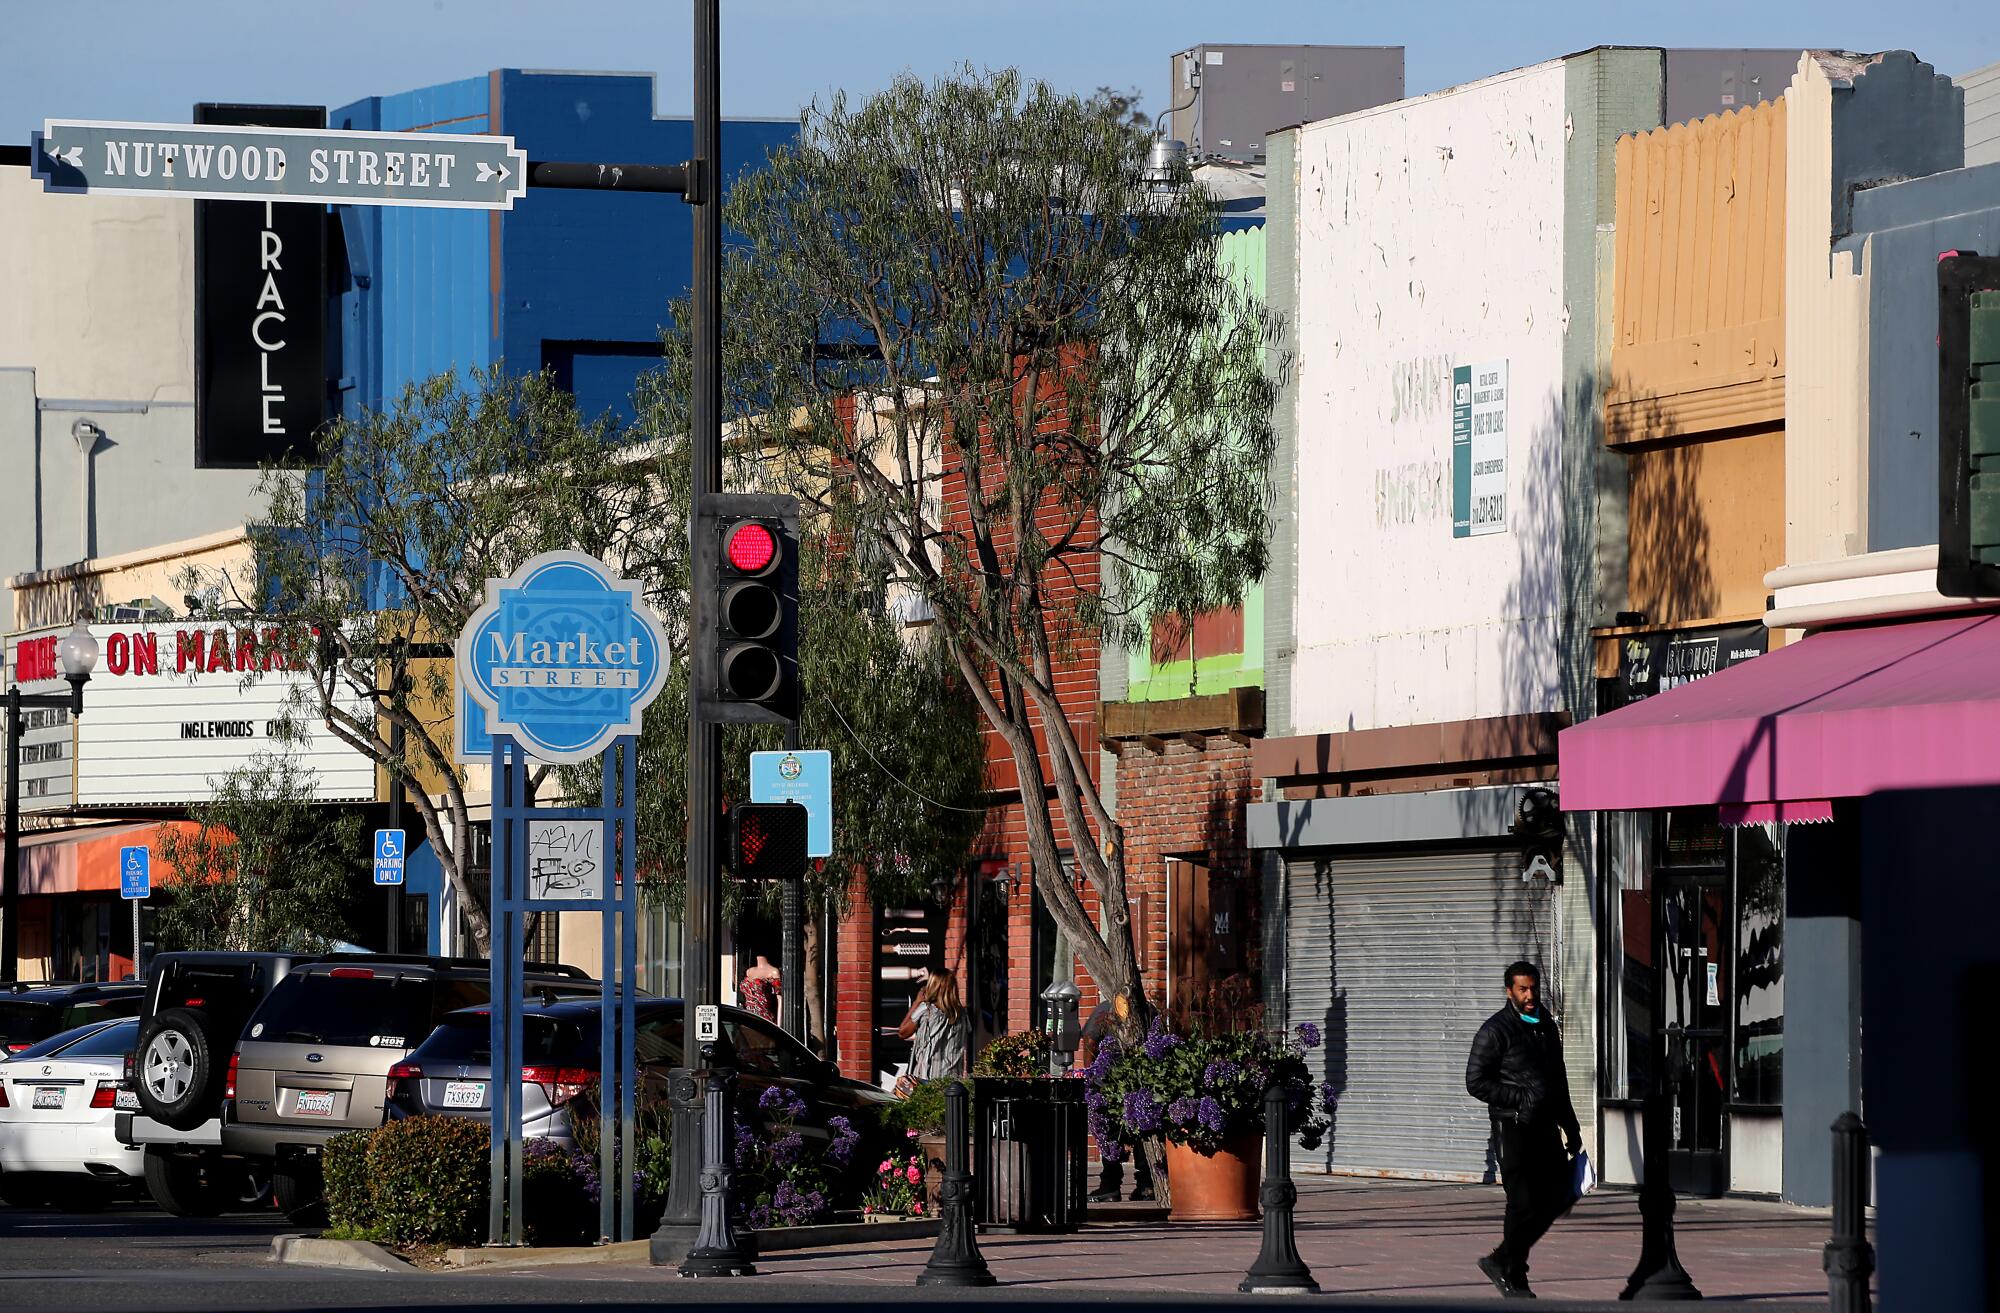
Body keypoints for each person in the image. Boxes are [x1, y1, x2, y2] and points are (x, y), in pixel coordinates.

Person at [1465, 960, 1582, 1299]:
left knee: (1559, 1197)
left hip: (1546, 1127)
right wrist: (1522, 1098)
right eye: (1523, 989)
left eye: (1533, 988)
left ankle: (1503, 1260)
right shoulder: (1495, 1030)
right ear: (1509, 991)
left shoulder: (1545, 1024)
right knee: (1523, 1203)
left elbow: (1558, 1082)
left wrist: (1571, 1127)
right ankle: (1514, 1273)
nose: (1530, 995)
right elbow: (1475, 1082)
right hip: (1513, 1127)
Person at [1079, 994, 1155, 1203]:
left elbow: (1090, 1042)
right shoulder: (1148, 1011)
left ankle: (1112, 1186)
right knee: (1140, 1133)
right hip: (1136, 1084)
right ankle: (1144, 1185)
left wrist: (1091, 1076)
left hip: (1111, 1085)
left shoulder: (1105, 1010)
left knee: (1110, 1135)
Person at [898, 967, 969, 1087]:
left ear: (933, 985)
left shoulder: (926, 1009)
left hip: (927, 1078)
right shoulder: (962, 1014)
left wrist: (917, 1002)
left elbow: (903, 1032)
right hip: (953, 1079)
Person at [738, 953, 781, 1024]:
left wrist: (779, 1026)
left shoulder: (773, 972)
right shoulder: (748, 971)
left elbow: (779, 999)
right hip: (748, 1016)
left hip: (764, 1017)